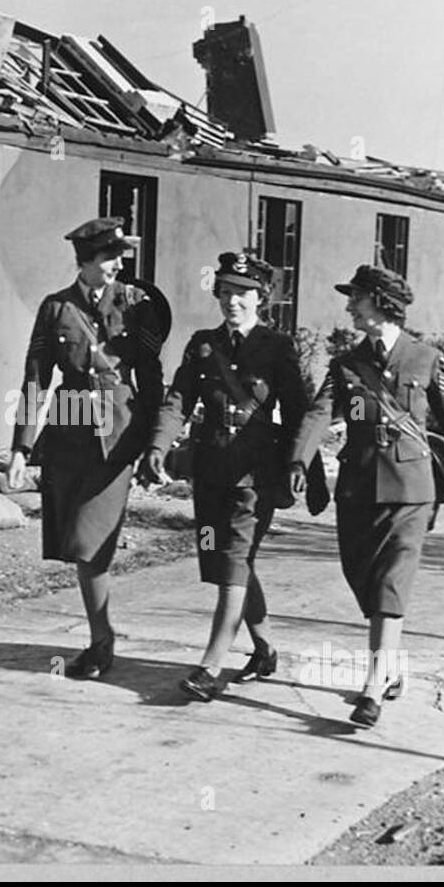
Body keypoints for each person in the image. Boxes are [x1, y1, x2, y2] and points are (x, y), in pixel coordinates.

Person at [287, 264, 444, 728]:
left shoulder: (426, 359)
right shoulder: (347, 364)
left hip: (412, 491)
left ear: (379, 302)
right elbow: (318, 414)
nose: (350, 306)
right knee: (363, 578)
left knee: (390, 585)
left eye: (356, 298)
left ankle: (372, 689)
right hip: (358, 489)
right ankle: (391, 661)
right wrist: (299, 459)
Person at [6, 217, 168, 679]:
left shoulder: (138, 305)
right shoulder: (56, 308)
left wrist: (155, 445)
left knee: (89, 542)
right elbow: (35, 379)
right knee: (77, 546)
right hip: (70, 430)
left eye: (120, 256)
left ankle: (101, 642)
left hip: (118, 437)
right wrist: (21, 445)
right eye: (109, 257)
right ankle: (102, 637)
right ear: (87, 261)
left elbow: (153, 380)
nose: (118, 264)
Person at [141, 251, 306, 701]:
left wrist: (299, 465)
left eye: (244, 294)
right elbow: (178, 399)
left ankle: (211, 667)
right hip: (210, 470)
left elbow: (296, 413)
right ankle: (266, 650)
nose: (233, 302)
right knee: (223, 562)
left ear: (261, 299)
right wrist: (158, 446)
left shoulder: (277, 348)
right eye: (226, 292)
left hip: (255, 476)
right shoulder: (203, 344)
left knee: (234, 559)